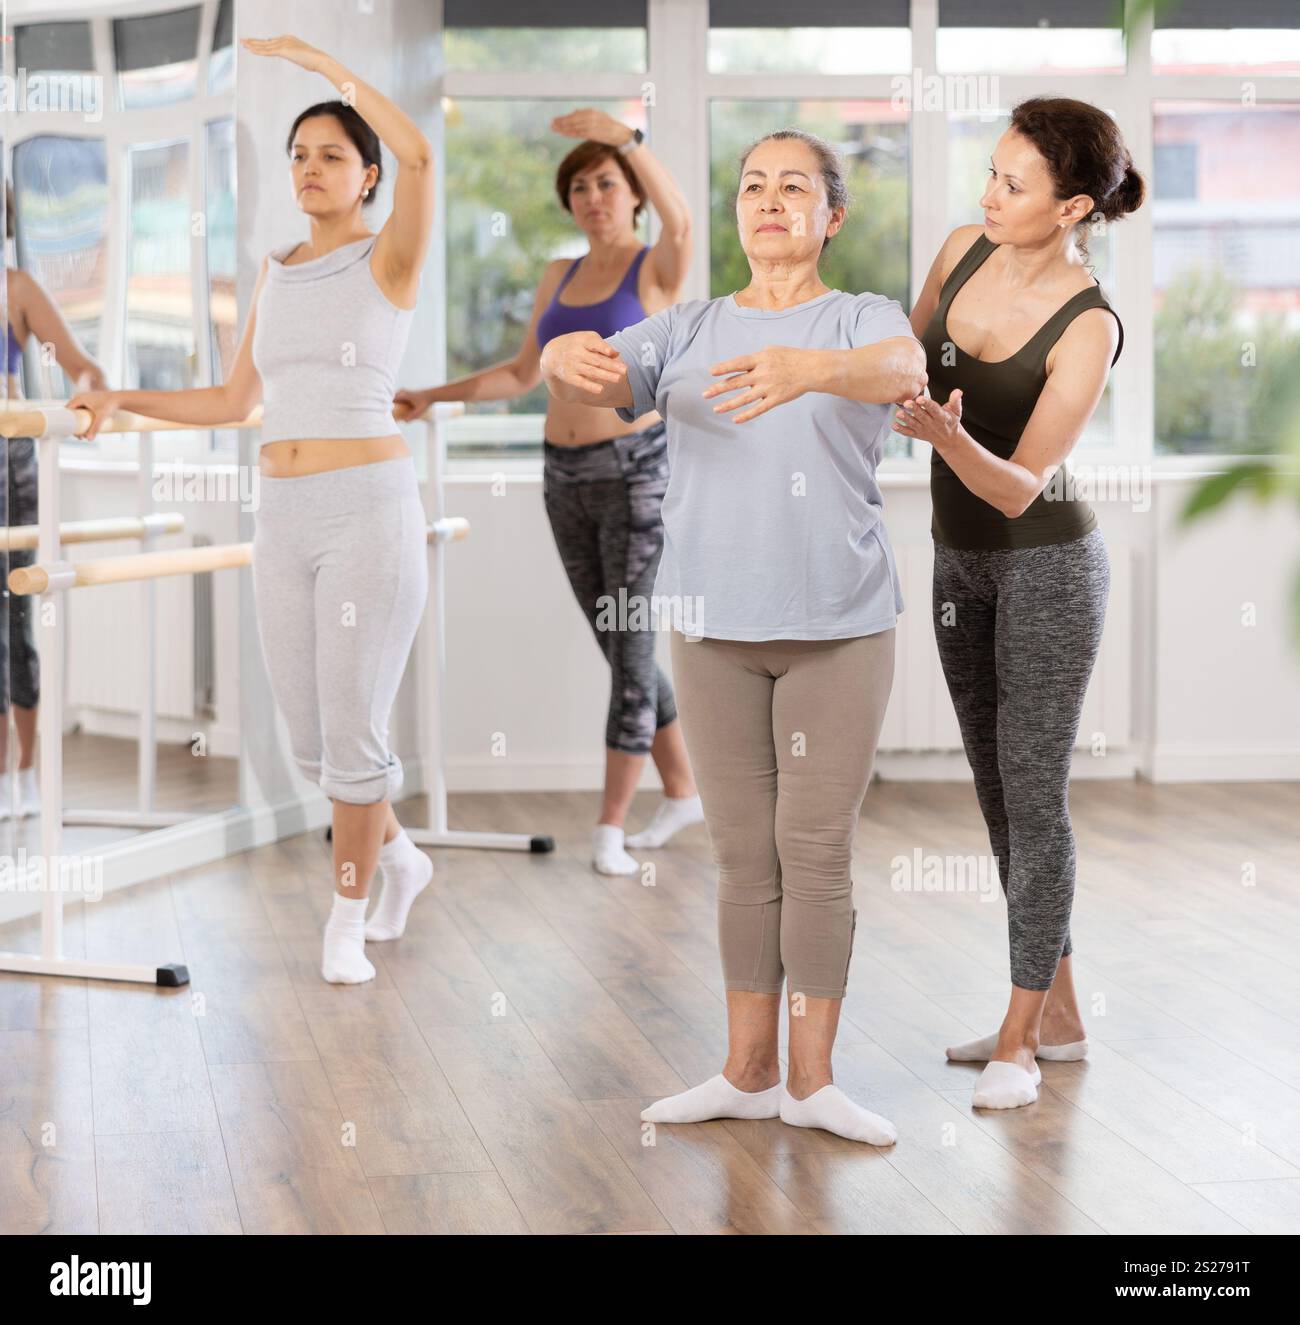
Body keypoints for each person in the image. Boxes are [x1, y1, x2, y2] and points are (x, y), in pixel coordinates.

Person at [541, 129, 926, 1145]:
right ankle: (747, 1072)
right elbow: (596, 373)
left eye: (793, 186)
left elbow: (903, 366)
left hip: (837, 625)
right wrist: (553, 351)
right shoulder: (690, 326)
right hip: (712, 627)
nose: (768, 199)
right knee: (741, 854)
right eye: (753, 184)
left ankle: (813, 1079)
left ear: (830, 215)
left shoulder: (860, 318)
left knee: (815, 851)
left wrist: (811, 365)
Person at [69, 34, 437, 984]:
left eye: (332, 156)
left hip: (369, 510)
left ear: (367, 178)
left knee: (353, 733)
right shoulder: (275, 271)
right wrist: (123, 403)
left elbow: (424, 155)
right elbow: (234, 404)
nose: (311, 169)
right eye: (299, 155)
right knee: (312, 742)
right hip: (283, 516)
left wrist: (329, 66)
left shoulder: (388, 258)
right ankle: (401, 858)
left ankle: (343, 920)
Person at [897, 95, 1143, 1109]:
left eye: (1013, 183)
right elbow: (899, 367)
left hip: (1044, 566)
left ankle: (1018, 1036)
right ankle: (1065, 1012)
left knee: (1033, 797)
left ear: (1072, 204)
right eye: (989, 171)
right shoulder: (961, 248)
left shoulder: (1088, 325)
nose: (987, 194)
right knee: (1000, 797)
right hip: (958, 563)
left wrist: (945, 436)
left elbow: (1017, 484)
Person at [394, 108, 702, 877]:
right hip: (560, 474)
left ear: (631, 193)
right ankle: (684, 788)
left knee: (631, 645)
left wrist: (628, 137)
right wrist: (435, 391)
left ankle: (607, 828)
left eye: (607, 183)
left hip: (636, 469)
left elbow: (685, 218)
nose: (593, 196)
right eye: (580, 186)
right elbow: (523, 371)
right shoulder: (557, 275)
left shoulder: (654, 270)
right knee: (616, 641)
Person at [3, 179, 109, 820]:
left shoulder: (16, 288)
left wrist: (88, 399)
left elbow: (83, 367)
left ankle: (22, 771)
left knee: (14, 619)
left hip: (9, 466)